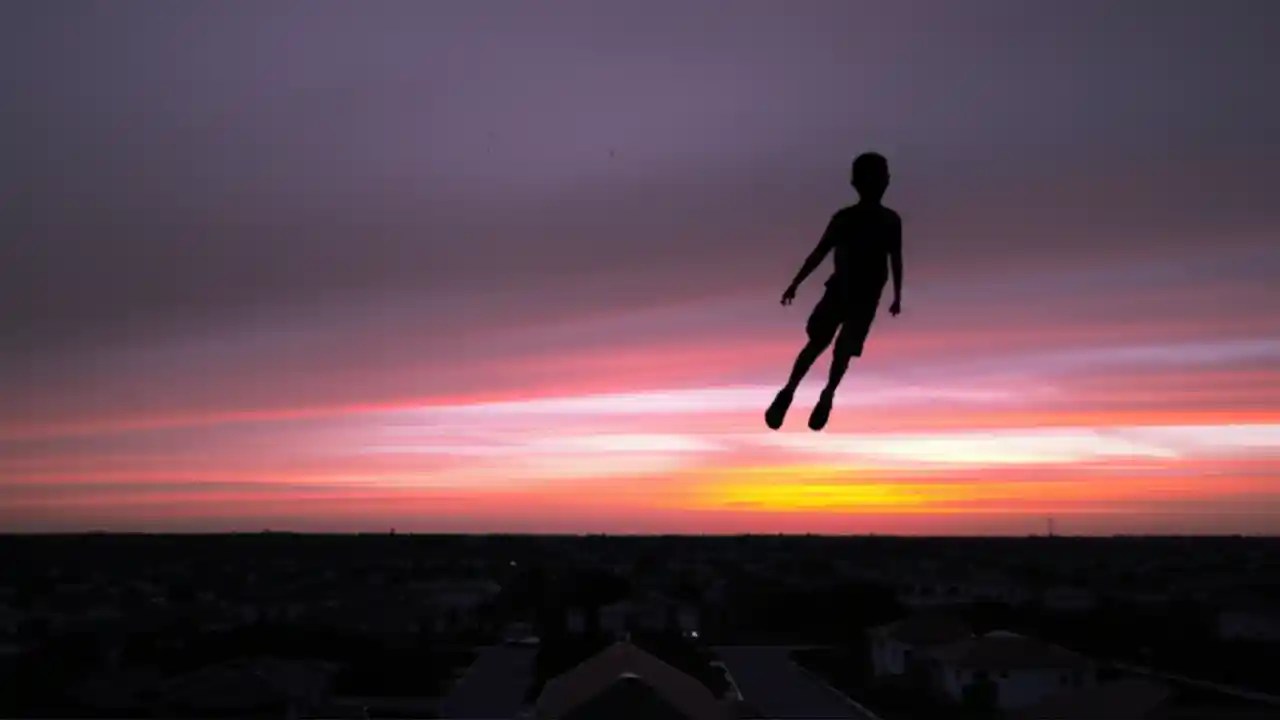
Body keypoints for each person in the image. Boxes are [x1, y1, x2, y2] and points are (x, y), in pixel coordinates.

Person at [766, 152, 903, 431]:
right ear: (858, 182)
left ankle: (826, 395)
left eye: (881, 176)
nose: (879, 182)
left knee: (842, 352)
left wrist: (897, 295)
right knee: (818, 344)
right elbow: (819, 253)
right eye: (874, 176)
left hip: (865, 300)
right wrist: (796, 283)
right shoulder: (845, 219)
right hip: (839, 293)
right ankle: (789, 391)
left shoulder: (890, 221)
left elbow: (896, 258)